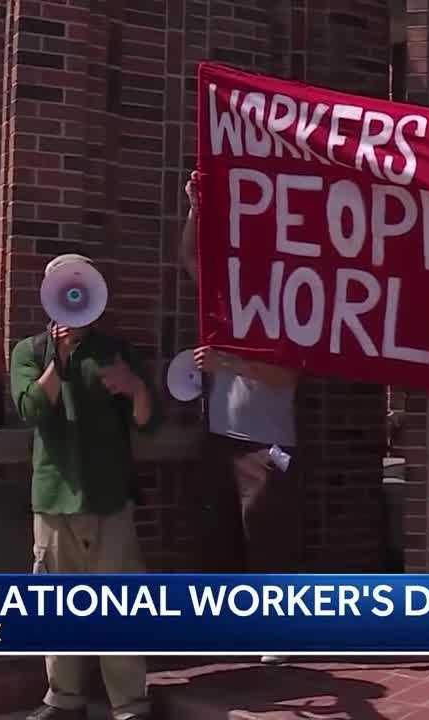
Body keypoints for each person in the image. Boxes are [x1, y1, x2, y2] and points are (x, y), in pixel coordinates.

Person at [12, 254, 160, 720]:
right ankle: (64, 699)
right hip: (55, 496)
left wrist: (135, 388)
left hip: (108, 496)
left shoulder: (115, 351)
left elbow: (149, 422)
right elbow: (31, 410)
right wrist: (58, 361)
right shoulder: (30, 351)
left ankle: (130, 704)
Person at [182, 170, 302, 665]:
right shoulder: (225, 300)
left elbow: (287, 375)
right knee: (221, 532)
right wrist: (195, 208)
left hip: (266, 442)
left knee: (266, 534)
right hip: (220, 436)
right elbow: (190, 259)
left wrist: (226, 363)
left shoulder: (290, 305)